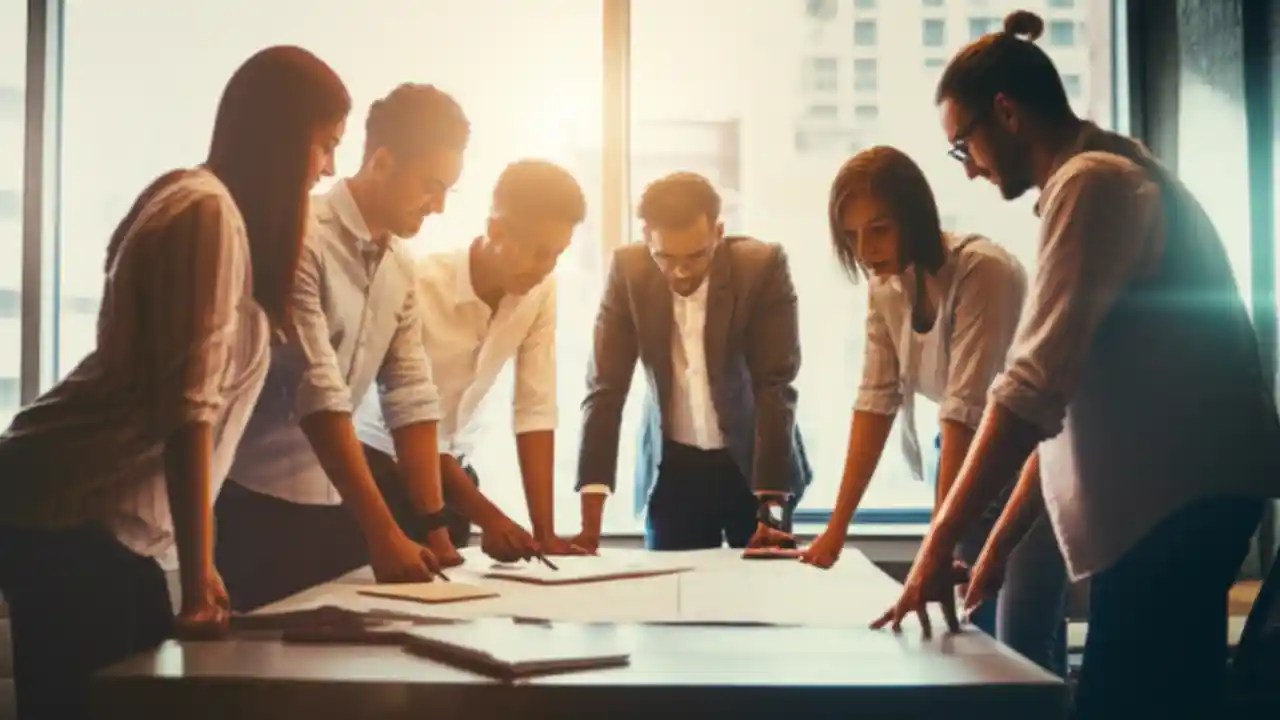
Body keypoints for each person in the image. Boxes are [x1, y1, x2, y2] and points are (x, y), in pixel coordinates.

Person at [873, 11, 1280, 719]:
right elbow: (1059, 405)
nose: (968, 166)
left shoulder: (1092, 186)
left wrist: (937, 544)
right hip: (1176, 508)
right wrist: (997, 548)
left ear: (1007, 112)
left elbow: (1029, 389)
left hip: (1171, 513)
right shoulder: (1107, 177)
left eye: (963, 143)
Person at [0, 46, 350, 719]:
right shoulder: (206, 212)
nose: (328, 168)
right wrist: (197, 574)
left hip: (99, 519)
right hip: (73, 508)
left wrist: (198, 565)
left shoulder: (208, 206)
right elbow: (190, 408)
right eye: (326, 144)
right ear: (282, 133)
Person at [800, 146, 1068, 676]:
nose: (865, 250)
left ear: (914, 216)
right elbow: (875, 400)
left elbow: (964, 411)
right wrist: (836, 528)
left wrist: (935, 548)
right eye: (852, 236)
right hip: (963, 458)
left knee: (1022, 639)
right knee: (975, 639)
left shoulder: (984, 270)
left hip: (1027, 463)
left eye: (879, 230)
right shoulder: (886, 285)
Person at [216, 83, 469, 612]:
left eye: (449, 190)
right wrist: (384, 533)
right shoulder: (300, 235)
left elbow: (411, 394)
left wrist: (434, 529)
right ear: (381, 161)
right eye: (431, 186)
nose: (440, 206)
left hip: (335, 505)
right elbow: (318, 389)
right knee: (258, 660)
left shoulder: (401, 265)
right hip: (252, 501)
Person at [357, 159, 587, 559]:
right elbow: (409, 421)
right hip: (382, 479)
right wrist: (491, 518)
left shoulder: (540, 291)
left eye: (557, 254)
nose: (545, 267)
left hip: (455, 484)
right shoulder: (418, 284)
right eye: (538, 252)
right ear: (496, 230)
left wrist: (545, 534)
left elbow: (534, 408)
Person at [575, 172, 811, 551]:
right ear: (646, 236)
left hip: (755, 465)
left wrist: (772, 513)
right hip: (674, 469)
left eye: (695, 256)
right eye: (665, 258)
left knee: (763, 584)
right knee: (669, 586)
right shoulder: (629, 271)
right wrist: (590, 529)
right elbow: (605, 390)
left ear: (718, 232)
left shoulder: (760, 267)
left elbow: (775, 387)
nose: (681, 271)